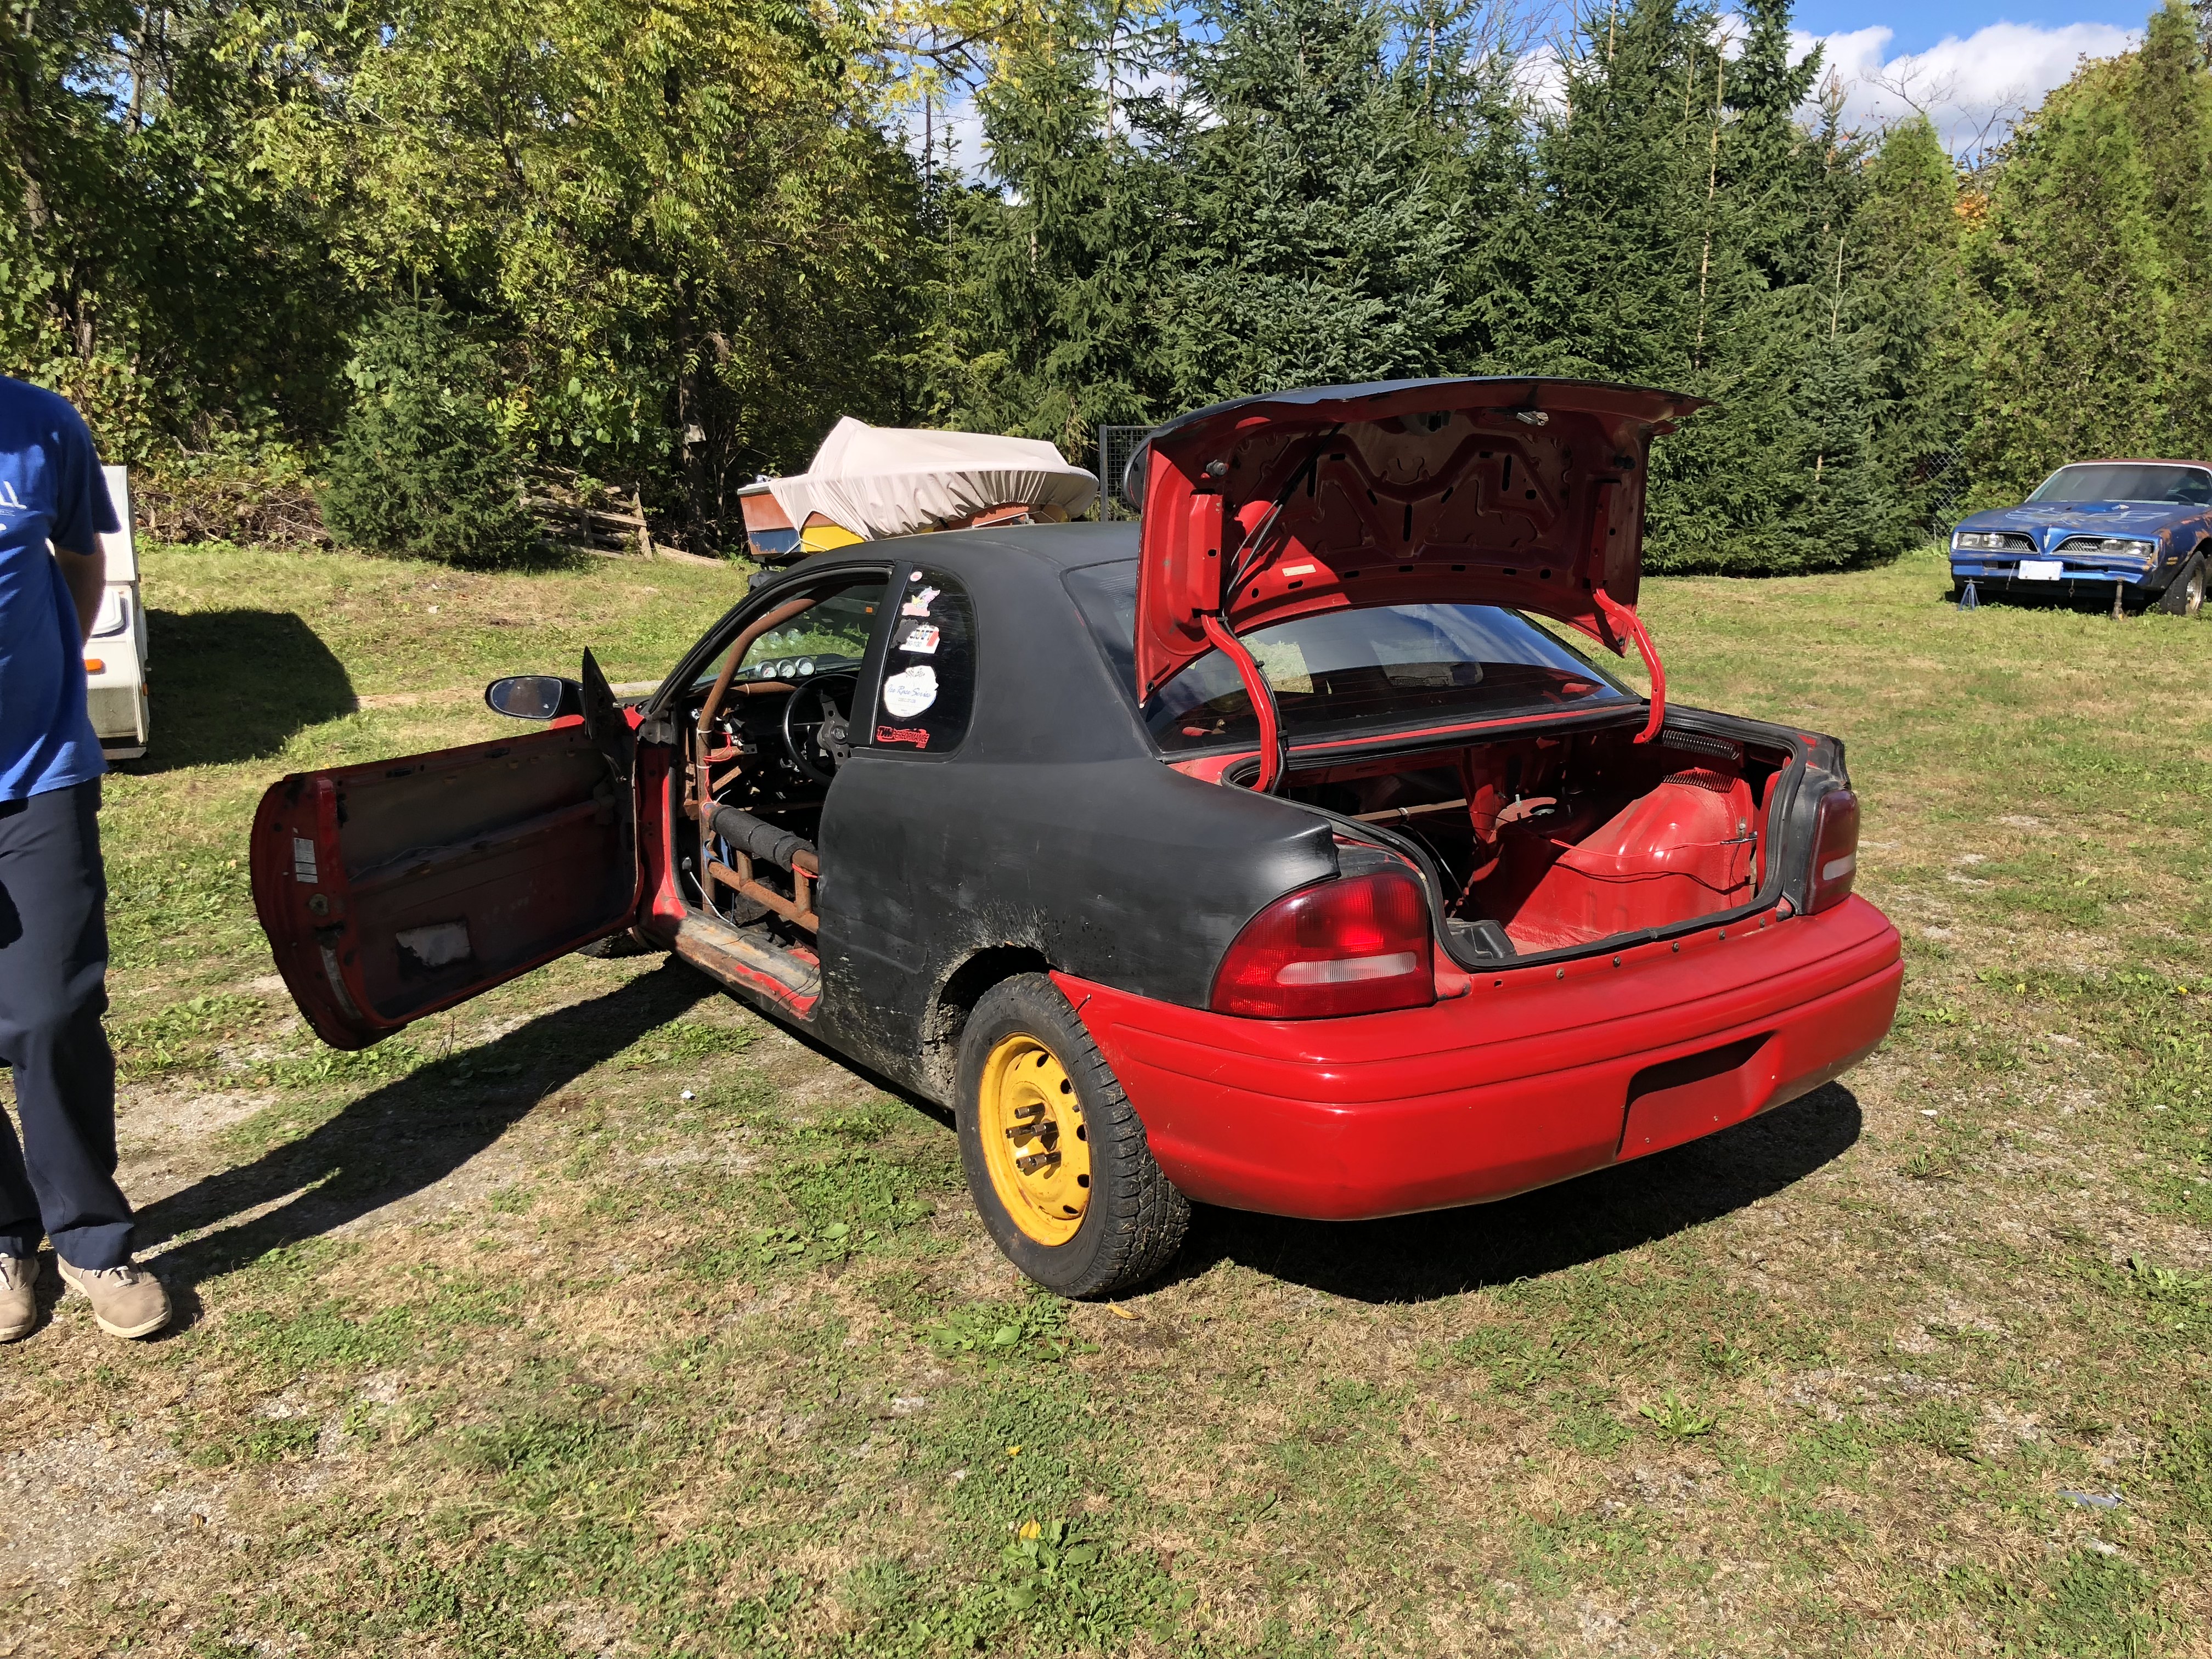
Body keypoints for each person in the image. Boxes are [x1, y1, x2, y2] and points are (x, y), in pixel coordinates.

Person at [0, 375, 167, 1342]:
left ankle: (92, 1239)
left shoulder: (40, 426)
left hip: (38, 773)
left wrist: (57, 683)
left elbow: (81, 558)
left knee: (54, 1009)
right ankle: (4, 1235)